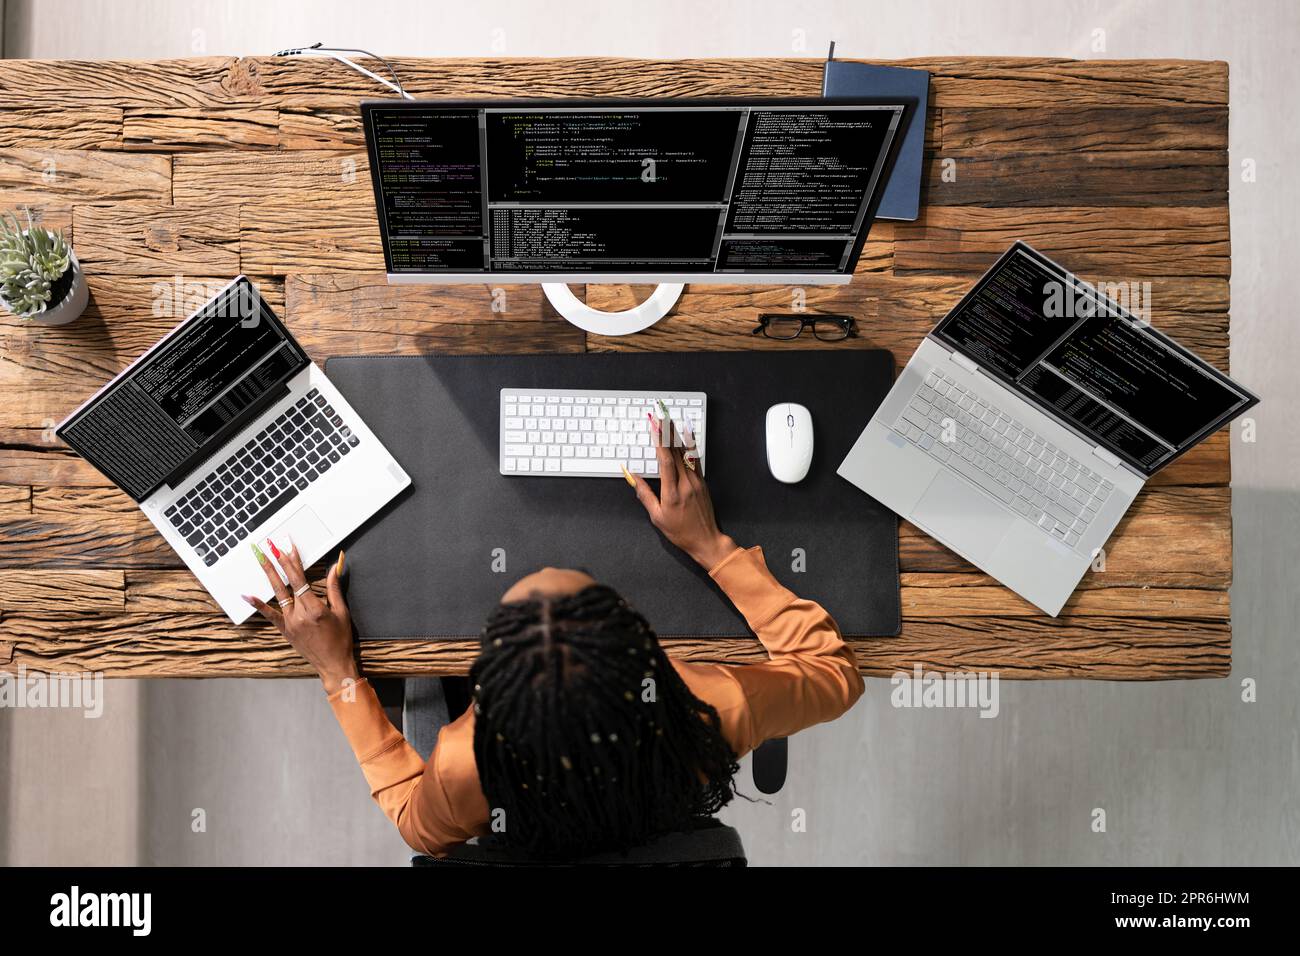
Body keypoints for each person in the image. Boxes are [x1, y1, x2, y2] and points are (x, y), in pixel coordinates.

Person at [247, 421, 864, 859]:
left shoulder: (467, 768)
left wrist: (339, 675)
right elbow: (834, 673)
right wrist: (711, 545)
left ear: (484, 697)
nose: (539, 572)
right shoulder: (716, 708)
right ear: (650, 654)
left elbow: (414, 821)